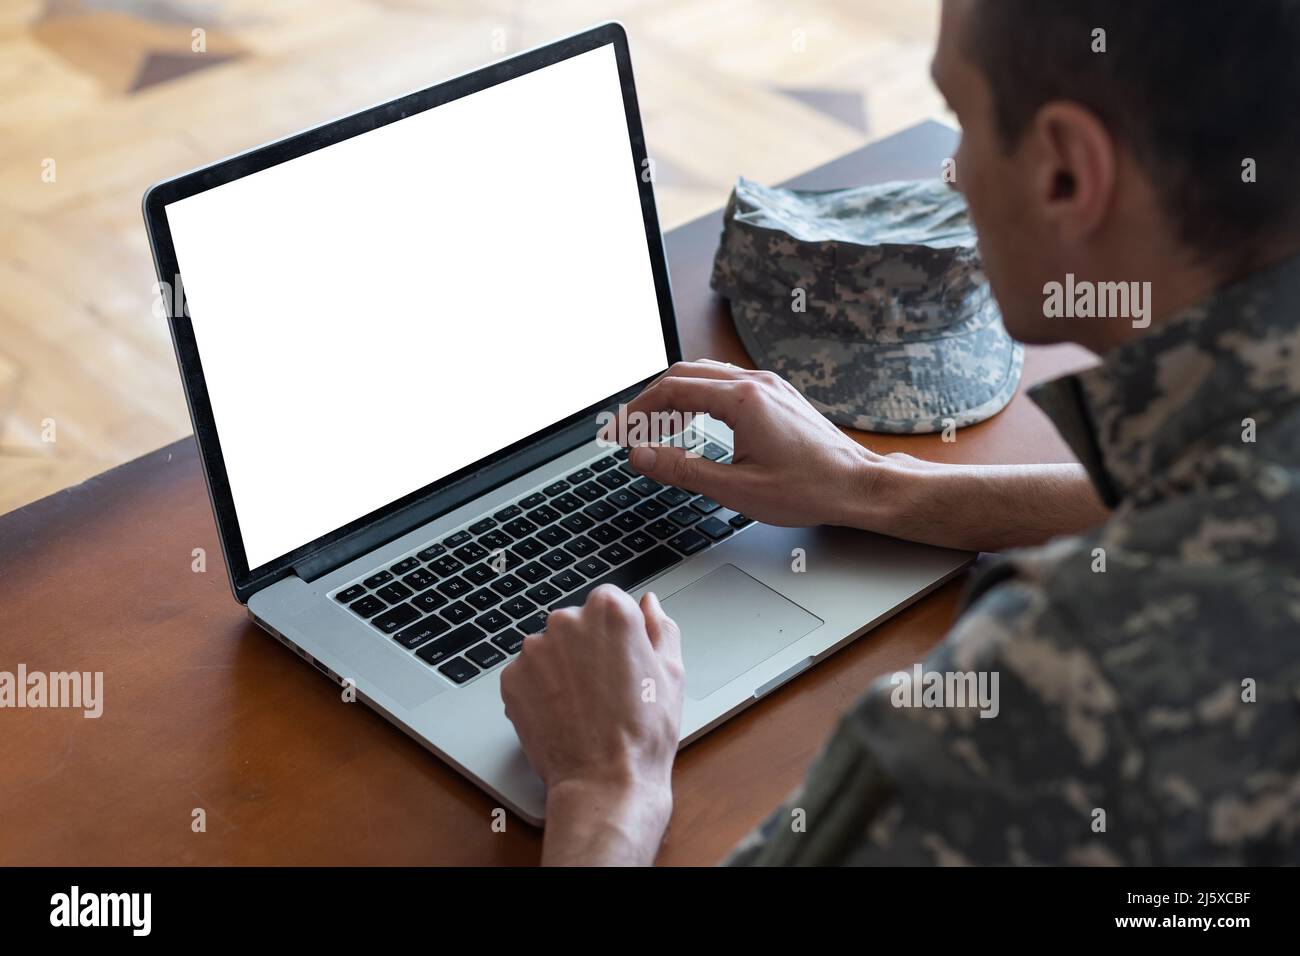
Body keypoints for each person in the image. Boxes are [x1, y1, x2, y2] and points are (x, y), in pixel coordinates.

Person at [499, 0, 1300, 865]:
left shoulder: (1054, 679)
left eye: (960, 121)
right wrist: (873, 484)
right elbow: (1217, 492)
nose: (951, 173)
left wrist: (604, 790)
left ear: (1066, 173)